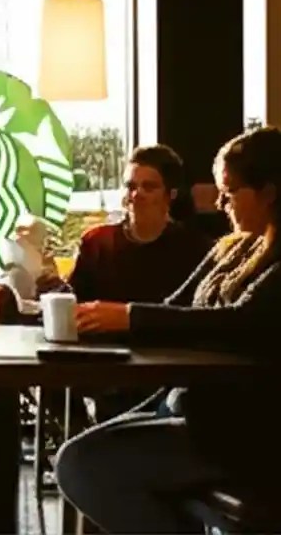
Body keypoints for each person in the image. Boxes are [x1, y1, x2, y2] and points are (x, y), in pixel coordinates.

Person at [55, 127, 281, 534]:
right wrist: (103, 321)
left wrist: (126, 317)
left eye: (229, 192)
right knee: (77, 456)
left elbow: (240, 322)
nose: (220, 203)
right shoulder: (230, 247)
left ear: (269, 192)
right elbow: (175, 309)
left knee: (81, 464)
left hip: (244, 433)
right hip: (191, 409)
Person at [67, 144, 212, 420]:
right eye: (130, 186)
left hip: (165, 369)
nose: (136, 195)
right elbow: (76, 301)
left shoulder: (195, 248)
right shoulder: (96, 241)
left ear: (170, 195)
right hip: (101, 364)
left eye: (149, 187)